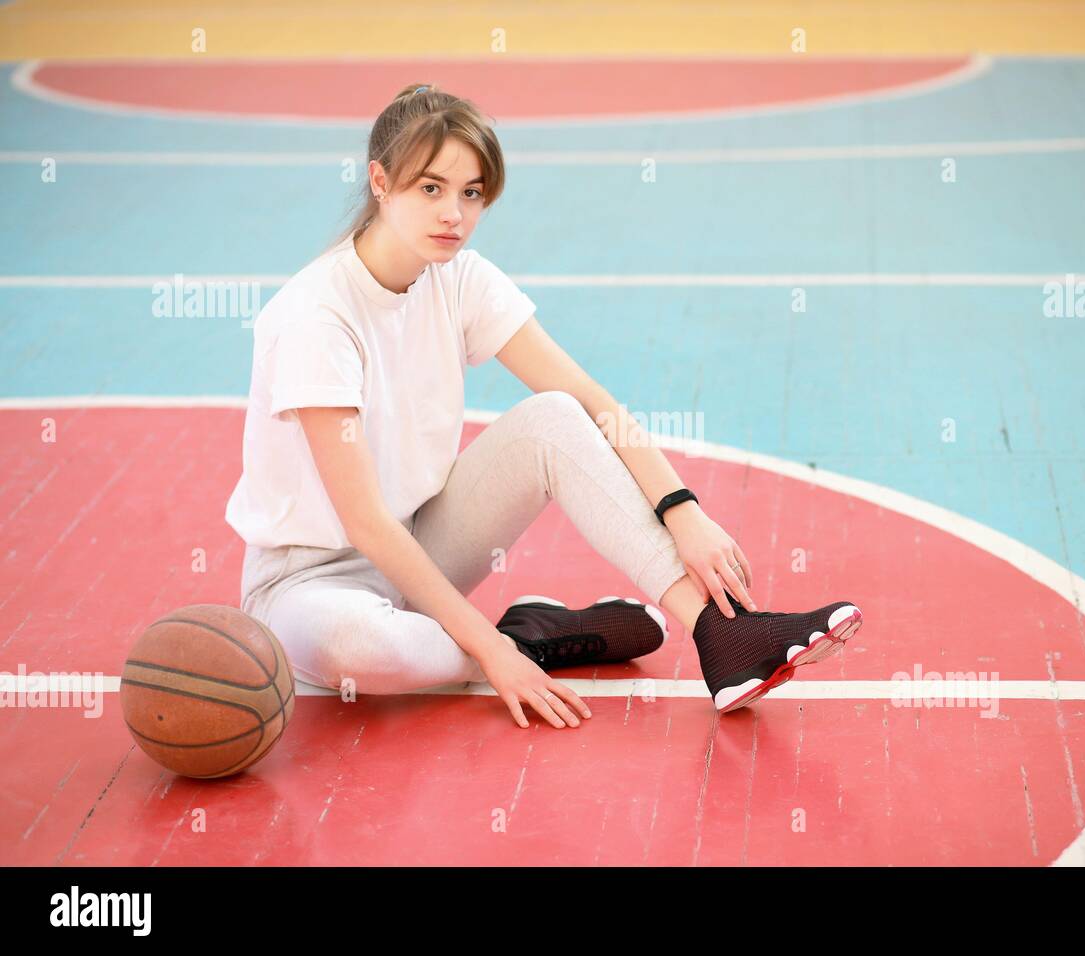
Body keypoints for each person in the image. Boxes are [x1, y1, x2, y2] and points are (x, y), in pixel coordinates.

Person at [224, 83, 862, 730]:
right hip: (309, 588)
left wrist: (682, 509)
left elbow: (591, 403)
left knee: (554, 418)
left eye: (472, 192)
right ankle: (524, 638)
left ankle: (721, 635)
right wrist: (492, 652)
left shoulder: (460, 278)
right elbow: (366, 526)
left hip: (422, 545)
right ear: (380, 181)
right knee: (363, 651)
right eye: (431, 188)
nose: (455, 214)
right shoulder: (317, 317)